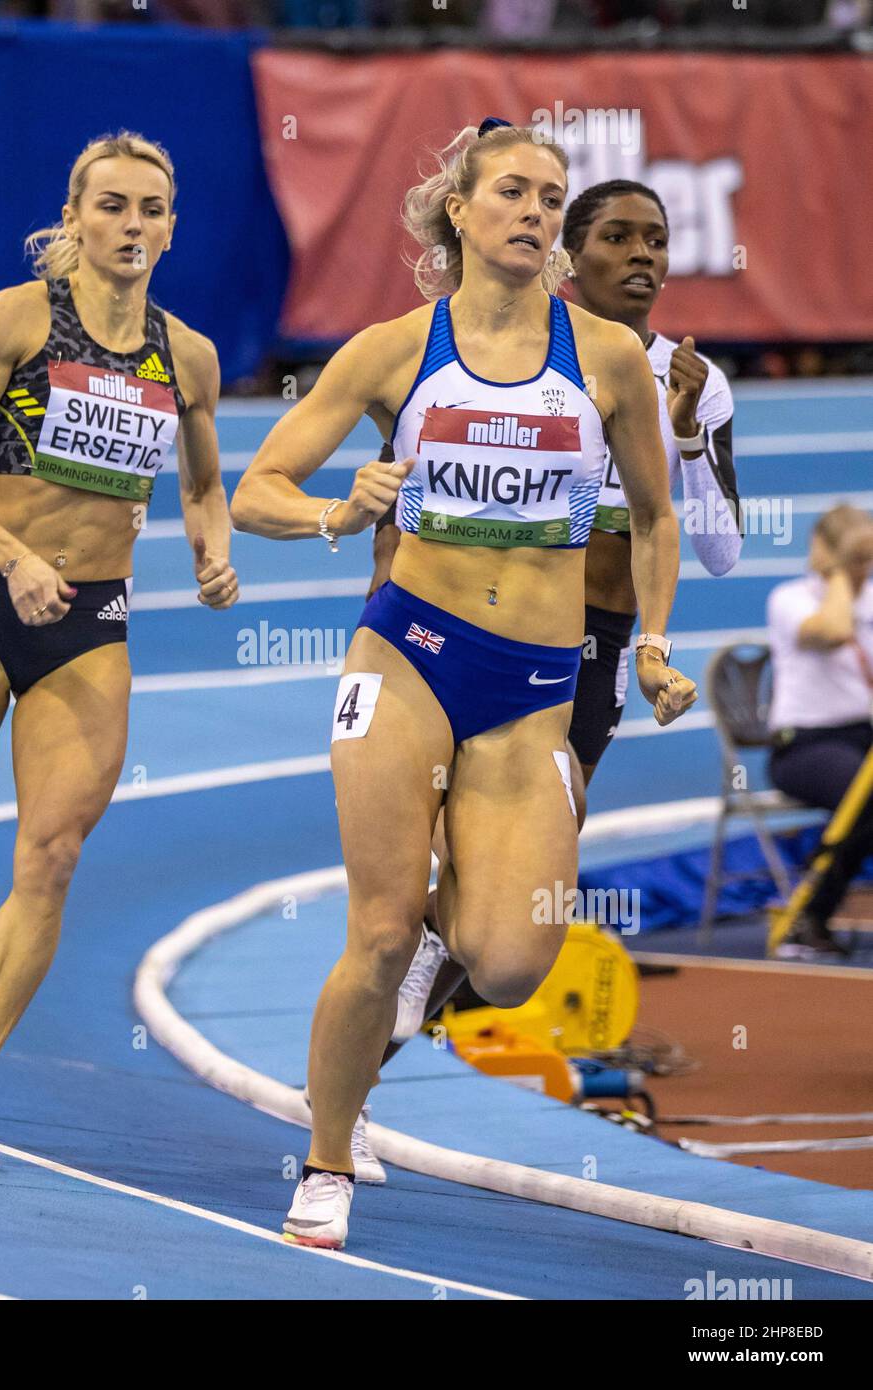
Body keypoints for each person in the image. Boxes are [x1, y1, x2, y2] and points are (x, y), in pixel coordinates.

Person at [231, 119, 696, 1248]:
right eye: (514, 194)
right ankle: (328, 1156)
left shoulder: (608, 358)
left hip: (534, 683)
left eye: (550, 197)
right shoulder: (395, 349)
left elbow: (657, 510)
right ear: (460, 211)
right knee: (382, 931)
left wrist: (652, 644)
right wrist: (341, 509)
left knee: (512, 952)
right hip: (408, 658)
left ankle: (448, 902)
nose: (537, 214)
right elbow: (258, 490)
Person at [0, 131, 237, 1167]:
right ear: (73, 216)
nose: (130, 226)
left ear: (172, 224)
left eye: (149, 209)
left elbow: (204, 485)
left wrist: (212, 551)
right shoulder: (20, 319)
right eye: (110, 206)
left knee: (53, 856)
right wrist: (13, 557)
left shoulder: (187, 355)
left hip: (91, 624)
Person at [371, 179, 741, 1124]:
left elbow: (719, 551)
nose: (643, 255)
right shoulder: (526, 351)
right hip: (474, 627)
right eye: (617, 236)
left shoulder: (691, 380)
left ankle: (386, 1035)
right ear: (571, 256)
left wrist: (692, 436)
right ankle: (360, 1076)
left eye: (656, 238)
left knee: (517, 884)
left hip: (598, 649)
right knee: (440, 854)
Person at [767, 504, 873, 959]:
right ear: (827, 556)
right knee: (863, 794)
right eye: (855, 559)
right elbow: (832, 630)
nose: (863, 570)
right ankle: (808, 913)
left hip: (862, 736)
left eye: (869, 559)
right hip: (804, 747)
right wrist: (836, 579)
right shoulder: (791, 599)